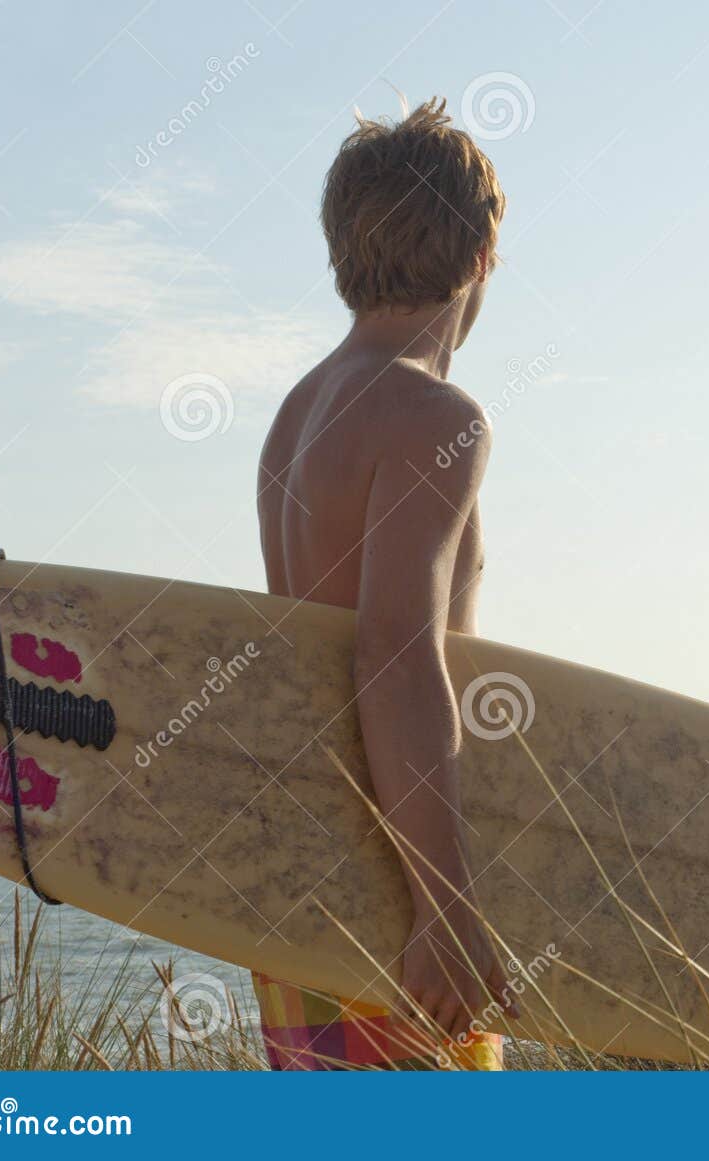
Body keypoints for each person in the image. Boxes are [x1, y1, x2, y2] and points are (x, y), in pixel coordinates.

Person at [253, 98, 517, 1070]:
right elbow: (397, 655)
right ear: (482, 252)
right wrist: (446, 909)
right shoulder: (432, 414)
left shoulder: (298, 413)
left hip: (300, 887)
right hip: (394, 896)